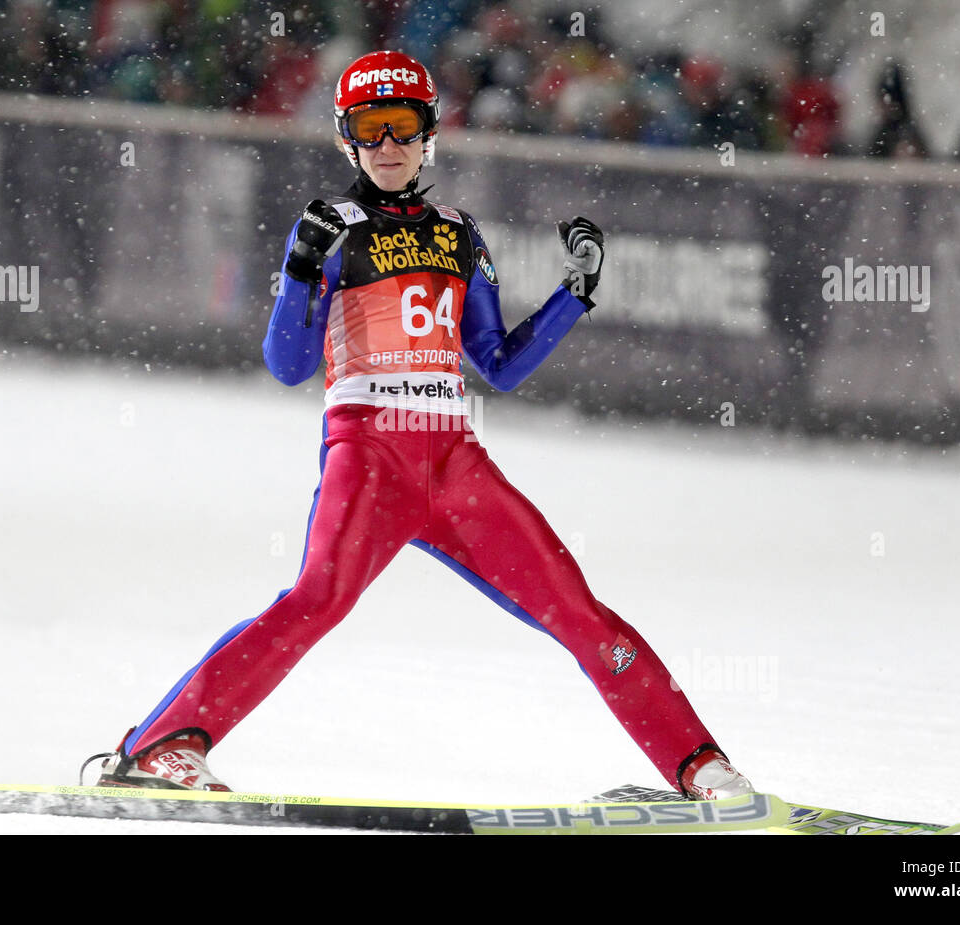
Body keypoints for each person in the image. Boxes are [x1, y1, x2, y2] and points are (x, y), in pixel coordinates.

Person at [90, 51, 753, 802]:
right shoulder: (331, 227)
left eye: (400, 126)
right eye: (368, 129)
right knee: (315, 599)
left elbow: (497, 363)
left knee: (578, 608)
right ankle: (158, 743)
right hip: (369, 452)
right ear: (346, 140)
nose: (386, 146)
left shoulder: (458, 232)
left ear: (429, 131)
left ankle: (701, 765)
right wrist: (302, 271)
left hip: (455, 459)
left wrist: (574, 295)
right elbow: (287, 363)